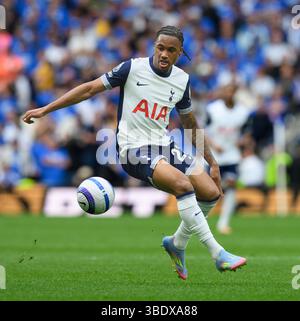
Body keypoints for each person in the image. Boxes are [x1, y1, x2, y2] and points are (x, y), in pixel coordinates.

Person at [22, 26, 246, 280]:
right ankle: (218, 254)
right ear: (154, 45)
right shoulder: (131, 68)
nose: (163, 54)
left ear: (179, 53)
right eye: (160, 47)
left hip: (164, 145)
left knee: (210, 193)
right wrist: (46, 109)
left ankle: (177, 243)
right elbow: (89, 89)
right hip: (132, 149)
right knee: (183, 185)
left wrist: (212, 163)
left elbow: (189, 123)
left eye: (170, 50)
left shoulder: (182, 80)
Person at [205, 82, 250, 234]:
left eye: (232, 91)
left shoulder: (242, 111)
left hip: (232, 156)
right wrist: (212, 144)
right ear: (222, 92)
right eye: (226, 91)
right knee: (209, 190)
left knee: (231, 185)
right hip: (213, 156)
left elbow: (247, 131)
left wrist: (244, 140)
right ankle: (201, 222)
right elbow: (200, 130)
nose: (229, 94)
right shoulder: (212, 109)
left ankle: (223, 223)